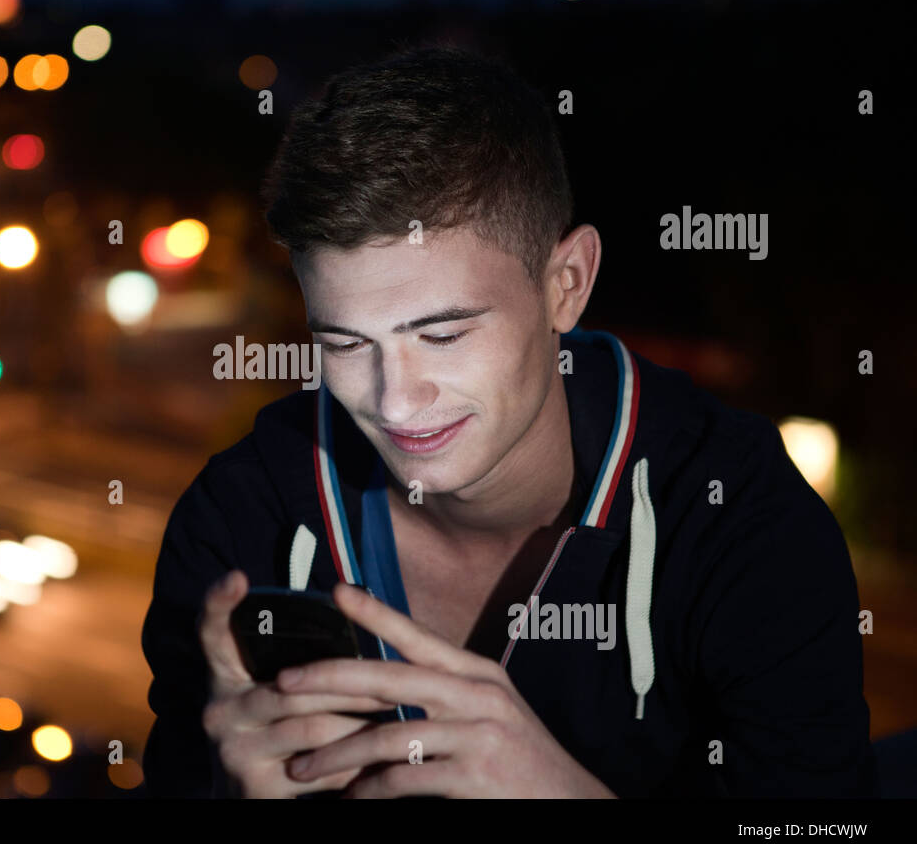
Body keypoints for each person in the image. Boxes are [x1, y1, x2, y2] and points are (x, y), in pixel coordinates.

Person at [139, 45, 875, 798]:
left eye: (444, 334)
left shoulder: (739, 519)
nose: (395, 401)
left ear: (567, 284)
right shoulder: (239, 519)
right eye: (347, 343)